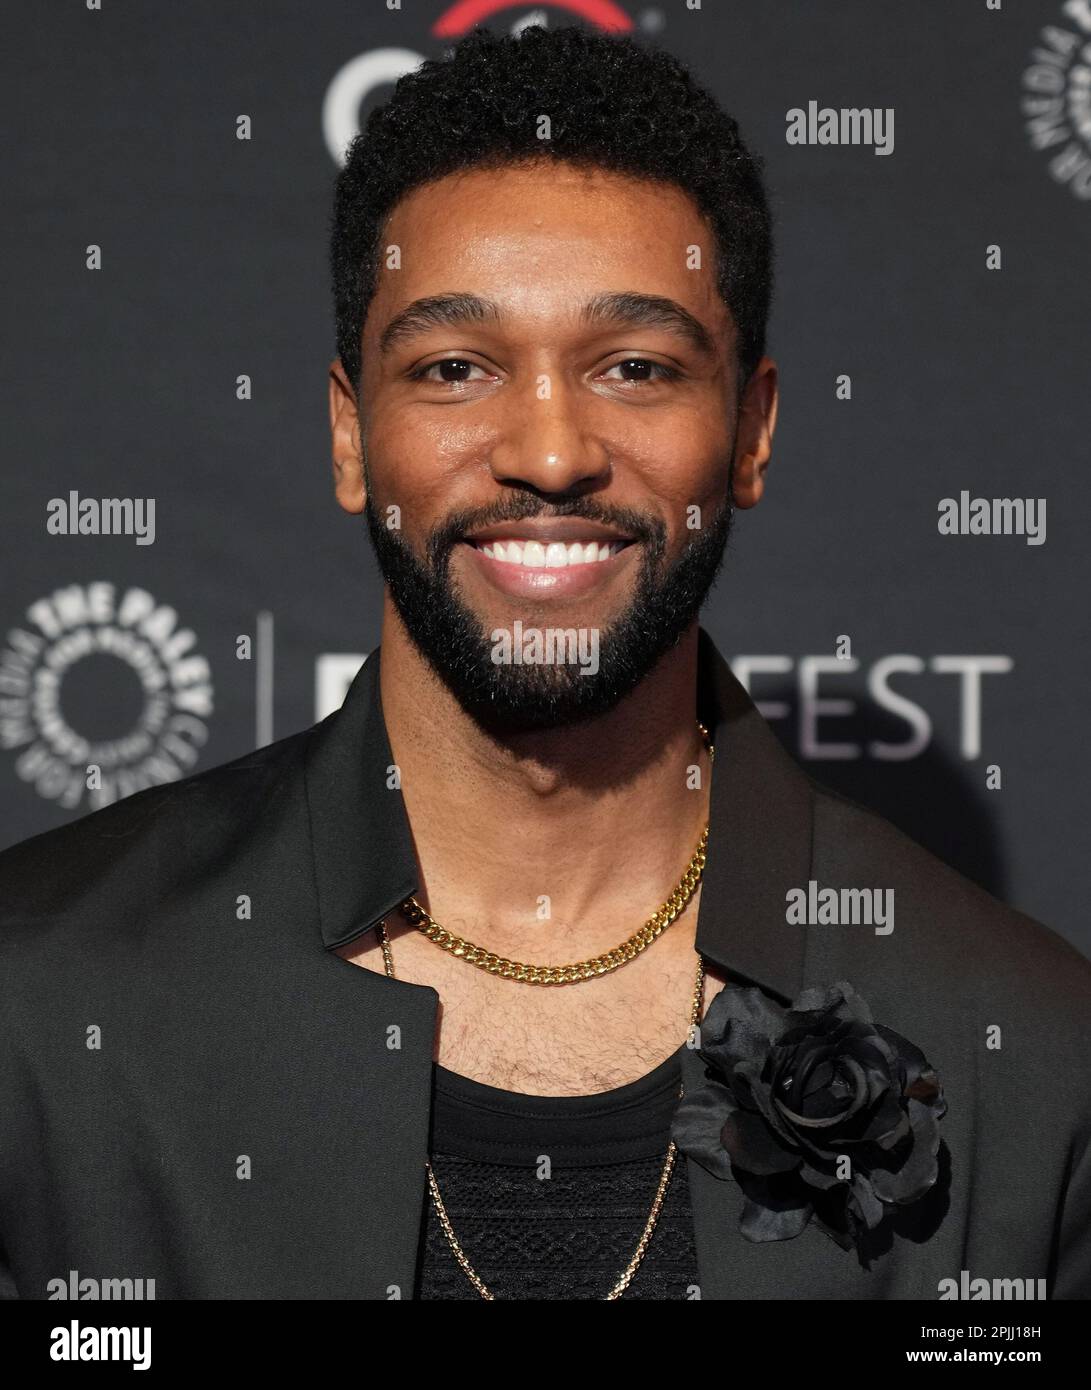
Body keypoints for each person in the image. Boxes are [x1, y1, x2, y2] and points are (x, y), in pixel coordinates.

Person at [0, 24, 1088, 1302]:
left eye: (634, 367)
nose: (551, 451)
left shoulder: (1025, 1047)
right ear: (351, 434)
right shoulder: (44, 1000)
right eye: (455, 368)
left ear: (750, 429)